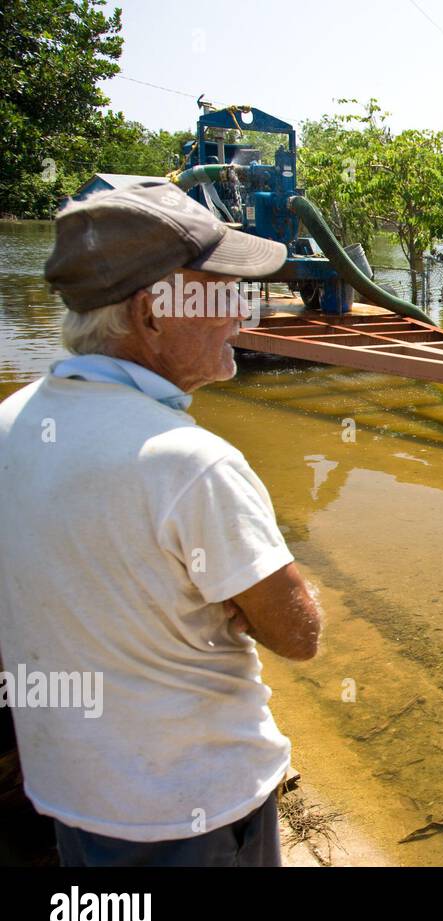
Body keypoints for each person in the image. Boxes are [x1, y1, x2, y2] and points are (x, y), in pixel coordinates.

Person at [0, 181, 322, 866]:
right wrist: (257, 600)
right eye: (226, 295)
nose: (244, 317)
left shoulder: (11, 424)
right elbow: (297, 635)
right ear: (151, 314)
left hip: (71, 796)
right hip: (191, 810)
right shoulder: (190, 463)